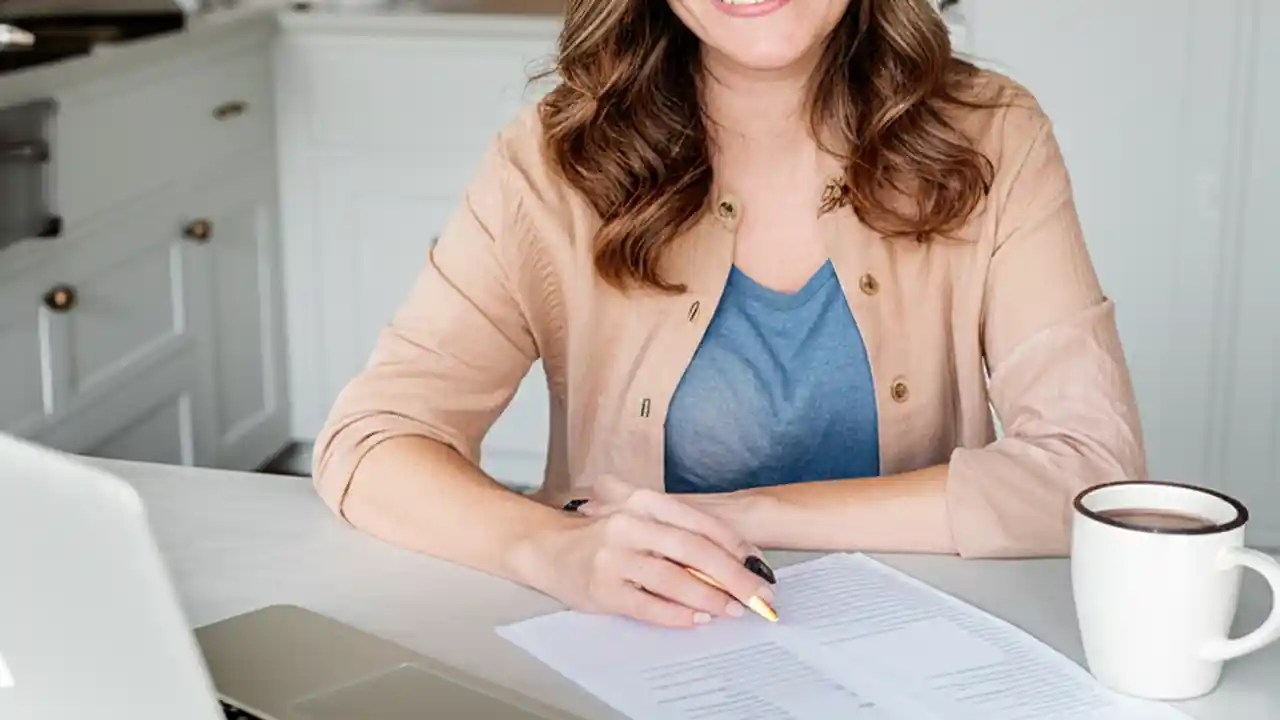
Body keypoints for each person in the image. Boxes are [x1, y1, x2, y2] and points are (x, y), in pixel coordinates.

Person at [312, 0, 1146, 628]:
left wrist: (744, 515)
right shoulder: (546, 161)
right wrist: (554, 550)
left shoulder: (993, 134)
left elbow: (1090, 472)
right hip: (632, 656)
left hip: (905, 658)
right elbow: (372, 442)